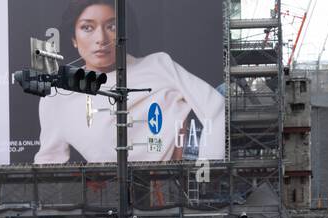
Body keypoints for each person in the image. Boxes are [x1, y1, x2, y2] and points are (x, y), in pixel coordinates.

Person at [34, 0, 224, 164]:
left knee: (227, 93)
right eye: (87, 28)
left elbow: (217, 106)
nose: (101, 39)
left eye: (112, 26)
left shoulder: (158, 64)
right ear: (74, 39)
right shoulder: (57, 97)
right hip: (130, 188)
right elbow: (49, 161)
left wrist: (209, 166)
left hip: (191, 158)